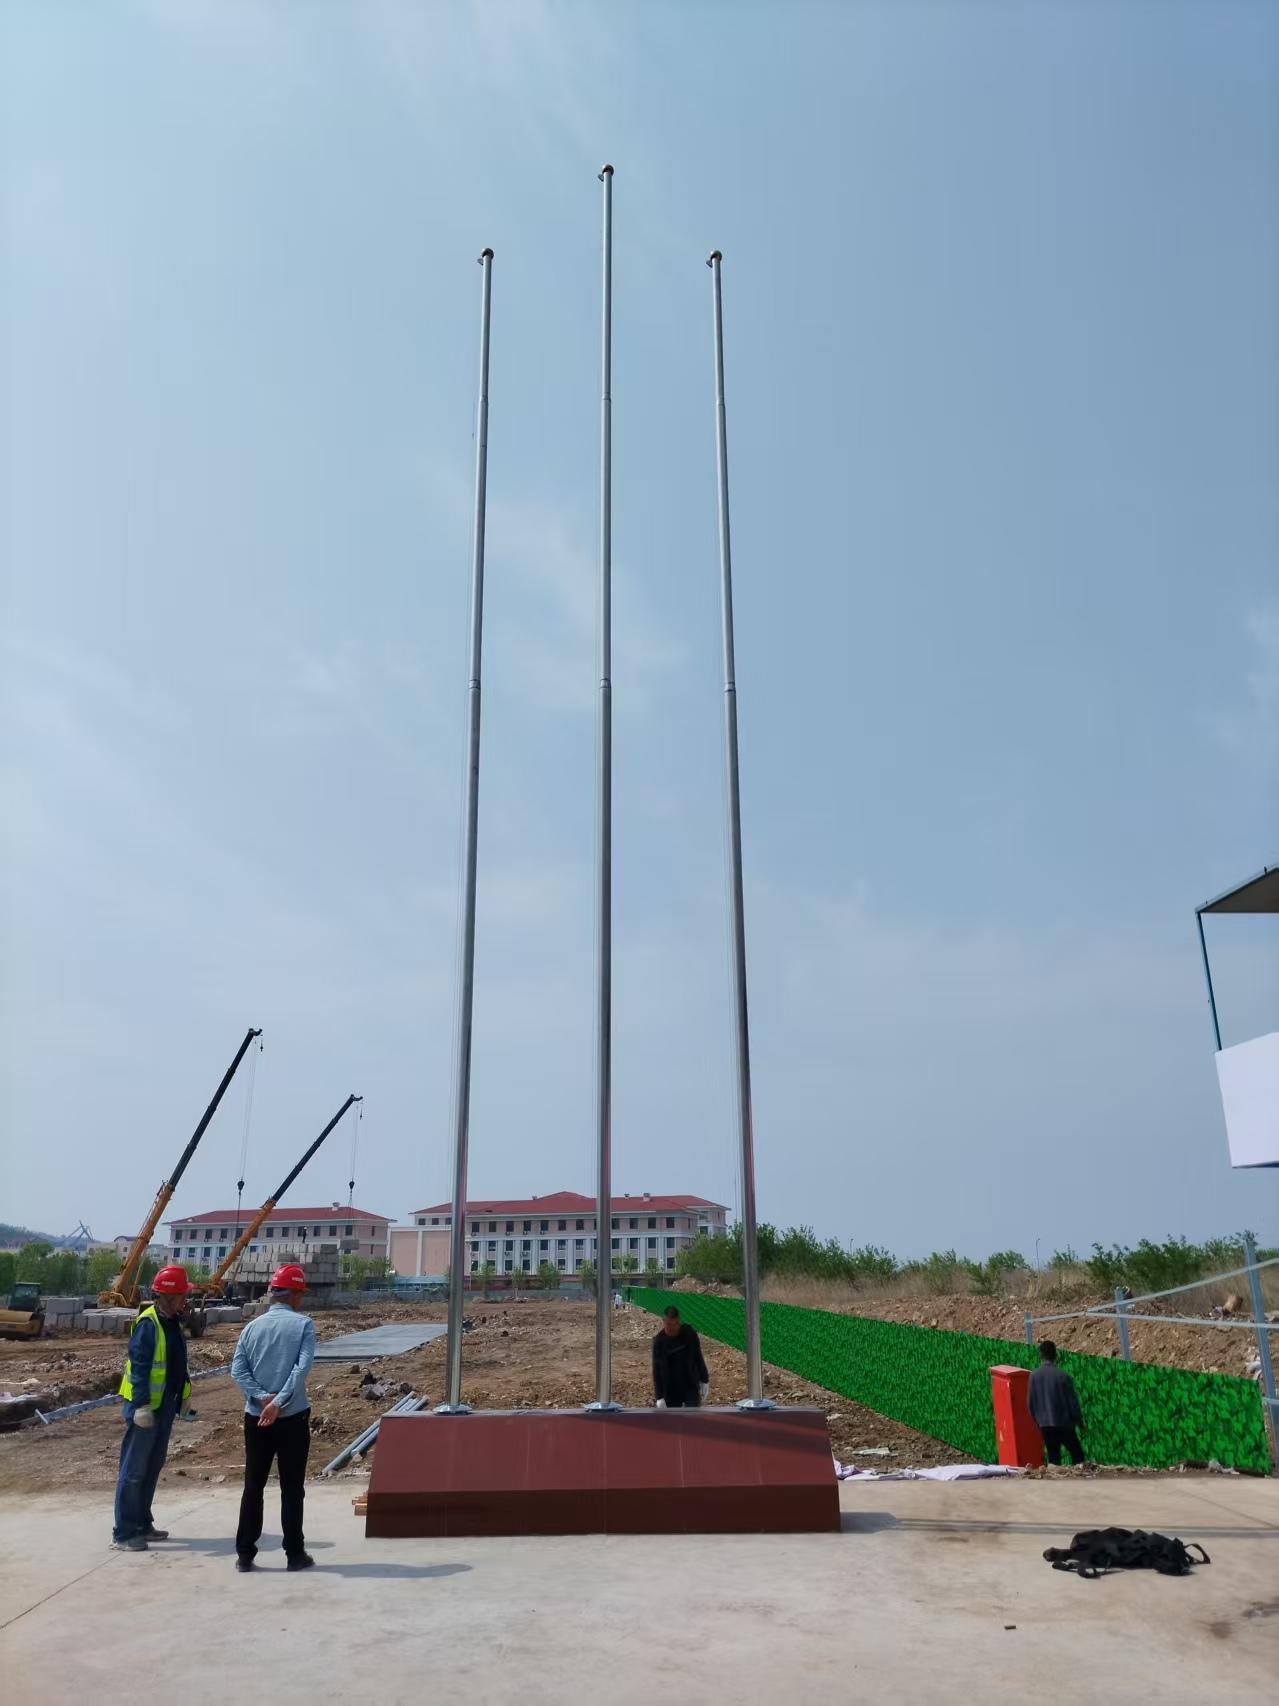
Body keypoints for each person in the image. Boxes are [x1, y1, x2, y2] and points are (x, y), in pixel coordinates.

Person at [231, 1262, 317, 1572]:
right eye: (301, 1293)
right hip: (292, 1418)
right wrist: (278, 1402)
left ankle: (244, 1554)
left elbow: (237, 1370)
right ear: (294, 1294)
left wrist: (262, 1398)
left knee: (253, 1486)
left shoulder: (252, 1327)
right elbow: (301, 1369)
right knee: (292, 1488)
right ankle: (294, 1554)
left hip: (256, 1419)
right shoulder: (304, 1325)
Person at [113, 1264, 194, 1551]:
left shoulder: (172, 1322)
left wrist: (183, 1395)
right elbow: (139, 1368)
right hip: (145, 1409)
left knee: (150, 1468)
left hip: (165, 1406)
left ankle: (142, 1524)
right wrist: (141, 1406)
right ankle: (123, 1533)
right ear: (169, 1296)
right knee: (134, 1471)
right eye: (183, 1294)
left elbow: (176, 1363)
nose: (186, 1299)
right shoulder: (148, 1324)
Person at [1028, 1340, 1085, 1466]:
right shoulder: (1063, 1376)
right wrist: (1079, 1421)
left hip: (1045, 1425)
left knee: (1053, 1457)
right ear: (1055, 1355)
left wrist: (1039, 1421)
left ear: (1041, 1355)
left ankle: (1055, 1478)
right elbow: (1072, 1402)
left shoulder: (1034, 1376)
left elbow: (1031, 1404)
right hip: (1064, 1424)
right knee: (1077, 1454)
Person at [652, 1305, 710, 1409]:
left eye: (675, 1324)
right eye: (669, 1324)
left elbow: (698, 1356)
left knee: (693, 1414)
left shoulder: (689, 1334)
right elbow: (656, 1370)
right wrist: (659, 1396)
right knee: (673, 1417)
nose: (673, 1328)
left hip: (690, 1383)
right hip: (670, 1387)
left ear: (679, 1321)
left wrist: (704, 1379)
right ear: (664, 1321)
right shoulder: (659, 1342)